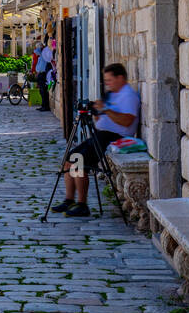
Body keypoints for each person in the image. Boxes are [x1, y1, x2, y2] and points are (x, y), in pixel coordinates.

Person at [52, 63, 141, 218]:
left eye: (110, 80)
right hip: (100, 135)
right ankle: (69, 199)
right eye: (105, 80)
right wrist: (97, 111)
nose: (107, 83)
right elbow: (102, 117)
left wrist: (105, 109)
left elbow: (127, 121)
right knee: (69, 158)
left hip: (114, 137)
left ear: (120, 78)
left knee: (79, 161)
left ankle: (82, 204)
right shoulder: (112, 94)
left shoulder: (129, 96)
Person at [35, 38, 55, 112]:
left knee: (43, 91)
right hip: (41, 74)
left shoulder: (43, 54)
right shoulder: (41, 55)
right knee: (41, 91)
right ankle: (43, 105)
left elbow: (42, 66)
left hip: (43, 74)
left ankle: (45, 106)